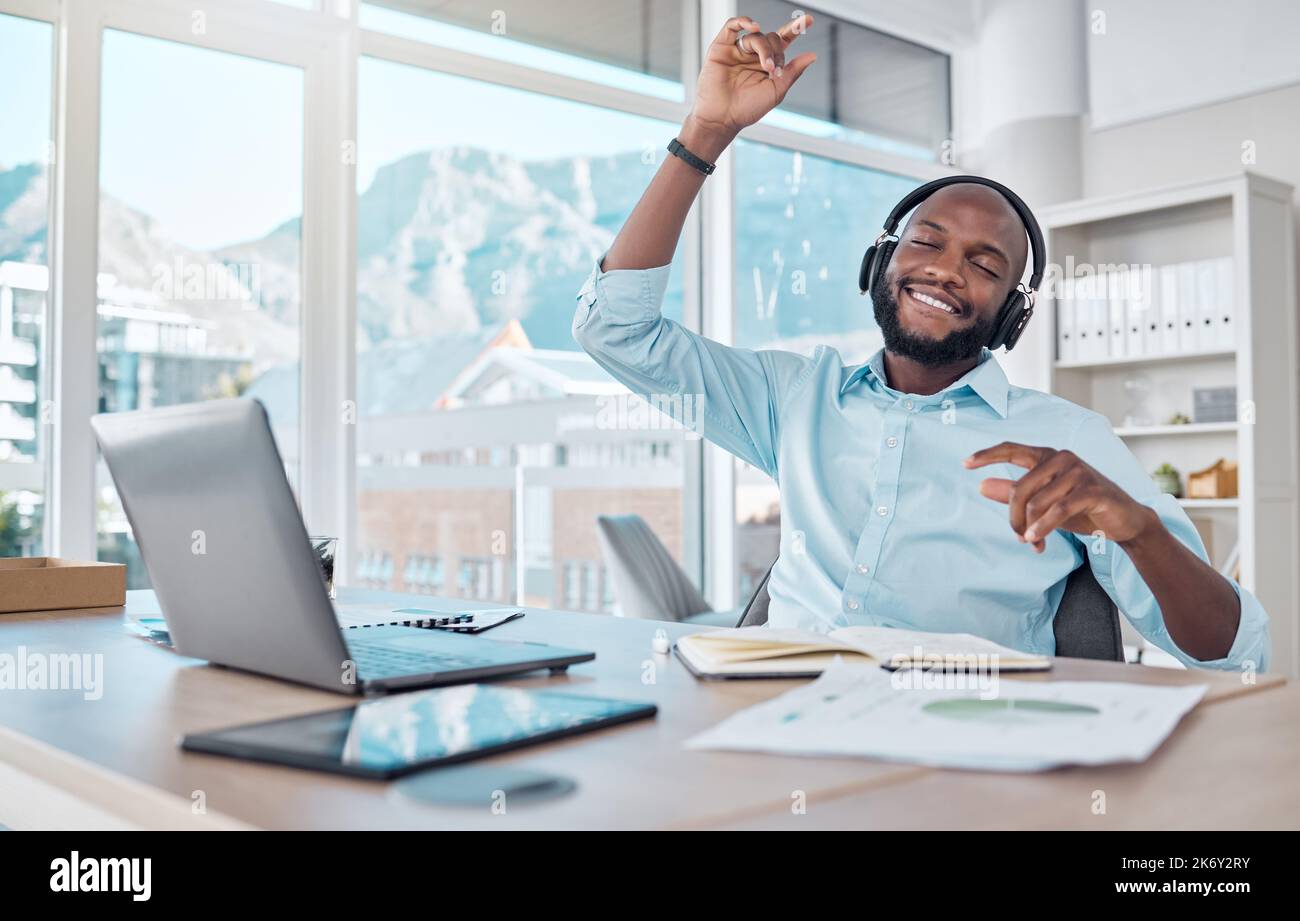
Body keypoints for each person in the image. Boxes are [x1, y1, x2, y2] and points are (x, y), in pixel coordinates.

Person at [572, 14, 1267, 670]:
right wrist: (704, 133)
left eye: (985, 264)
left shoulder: (1068, 442)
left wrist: (1138, 529)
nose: (945, 268)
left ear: (1010, 317)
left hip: (957, 751)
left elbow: (1232, 653)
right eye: (927, 241)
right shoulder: (794, 398)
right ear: (880, 264)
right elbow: (616, 330)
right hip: (773, 723)